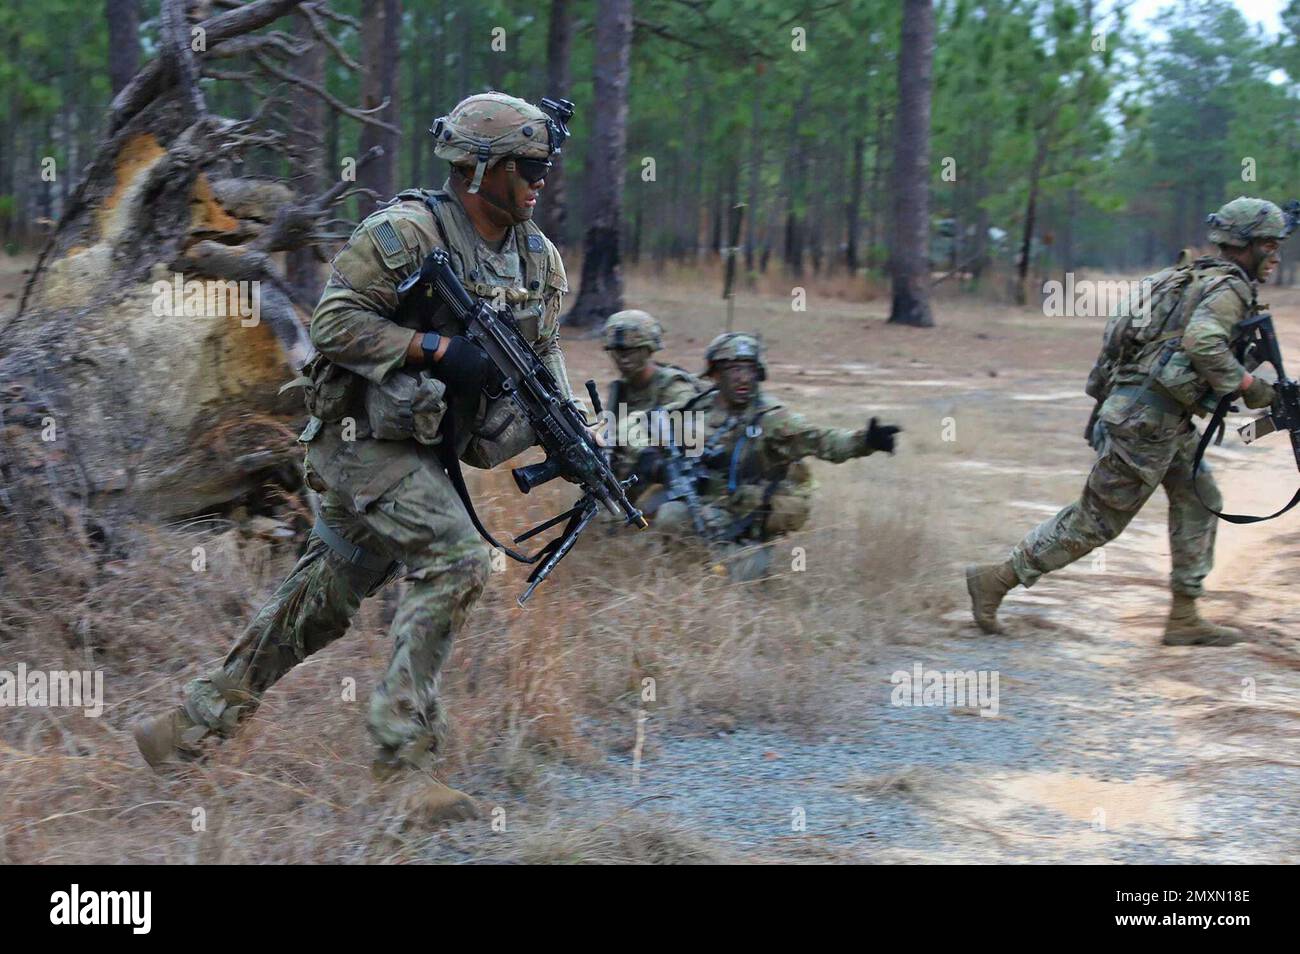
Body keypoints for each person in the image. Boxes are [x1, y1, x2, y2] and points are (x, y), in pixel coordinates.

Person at [134, 92, 576, 819]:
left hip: (427, 449)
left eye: (546, 165)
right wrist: (432, 347)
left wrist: (570, 428)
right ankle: (402, 765)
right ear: (480, 168)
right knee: (459, 559)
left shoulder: (537, 257)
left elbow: (545, 348)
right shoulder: (404, 235)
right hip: (360, 442)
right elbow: (336, 324)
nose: (541, 179)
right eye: (528, 165)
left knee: (321, 605)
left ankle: (188, 727)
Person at [966, 196, 1290, 646]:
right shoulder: (1227, 288)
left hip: (1157, 418)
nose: (1276, 255)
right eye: (1270, 245)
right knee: (1096, 521)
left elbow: (1123, 338)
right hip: (1148, 424)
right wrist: (1255, 389)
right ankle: (996, 580)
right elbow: (1203, 344)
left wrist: (1107, 402)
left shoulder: (1184, 277)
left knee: (1199, 498)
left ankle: (1184, 615)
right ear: (1245, 244)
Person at [650, 332, 901, 579]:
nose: (743, 378)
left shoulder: (772, 419)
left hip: (745, 524)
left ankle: (741, 563)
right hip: (703, 508)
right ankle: (684, 571)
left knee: (726, 579)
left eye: (749, 370)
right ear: (716, 373)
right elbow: (649, 421)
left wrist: (865, 441)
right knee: (669, 516)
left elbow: (820, 440)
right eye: (734, 369)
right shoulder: (697, 406)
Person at [600, 309, 702, 481]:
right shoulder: (620, 390)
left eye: (631, 351)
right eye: (617, 351)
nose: (623, 358)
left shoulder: (673, 384)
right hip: (631, 479)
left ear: (648, 349)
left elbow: (692, 435)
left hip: (670, 477)